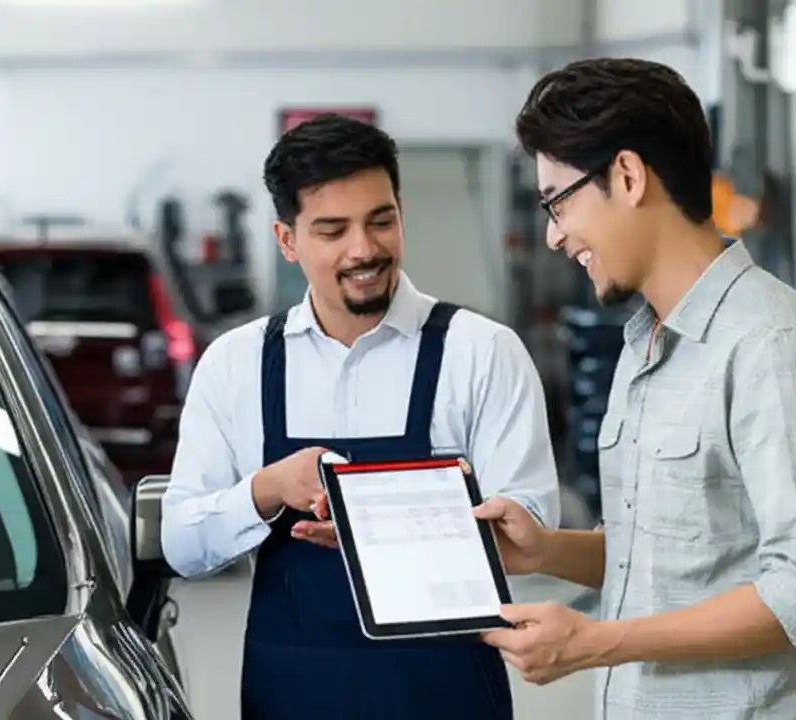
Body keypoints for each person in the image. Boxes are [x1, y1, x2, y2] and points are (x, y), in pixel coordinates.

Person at [475, 58, 796, 718]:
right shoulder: (648, 344)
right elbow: (666, 562)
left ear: (626, 176)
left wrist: (602, 642)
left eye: (557, 200)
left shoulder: (771, 347)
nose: (553, 233)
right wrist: (550, 550)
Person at [160, 113, 561, 720]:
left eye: (381, 221)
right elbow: (183, 545)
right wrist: (269, 488)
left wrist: (382, 530)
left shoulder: (480, 352)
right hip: (293, 694)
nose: (364, 250)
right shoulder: (236, 365)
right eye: (332, 230)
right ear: (286, 239)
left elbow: (530, 531)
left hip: (446, 695)